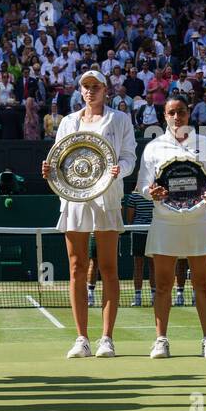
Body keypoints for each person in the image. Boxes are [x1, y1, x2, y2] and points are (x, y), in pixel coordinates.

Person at [44, 69, 136, 358]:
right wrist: (49, 170)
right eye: (85, 86)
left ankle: (106, 338)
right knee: (76, 267)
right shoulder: (69, 121)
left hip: (107, 200)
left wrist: (122, 170)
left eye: (95, 86)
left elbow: (129, 157)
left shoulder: (119, 119)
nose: (90, 91)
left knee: (108, 268)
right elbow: (59, 158)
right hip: (74, 201)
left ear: (105, 90)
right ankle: (81, 338)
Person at [136, 95, 206, 358]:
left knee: (202, 284)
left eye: (182, 112)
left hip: (200, 220)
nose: (177, 117)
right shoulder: (154, 147)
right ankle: (161, 340)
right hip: (165, 221)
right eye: (172, 112)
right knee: (163, 284)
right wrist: (150, 191)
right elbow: (142, 184)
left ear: (189, 114)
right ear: (165, 116)